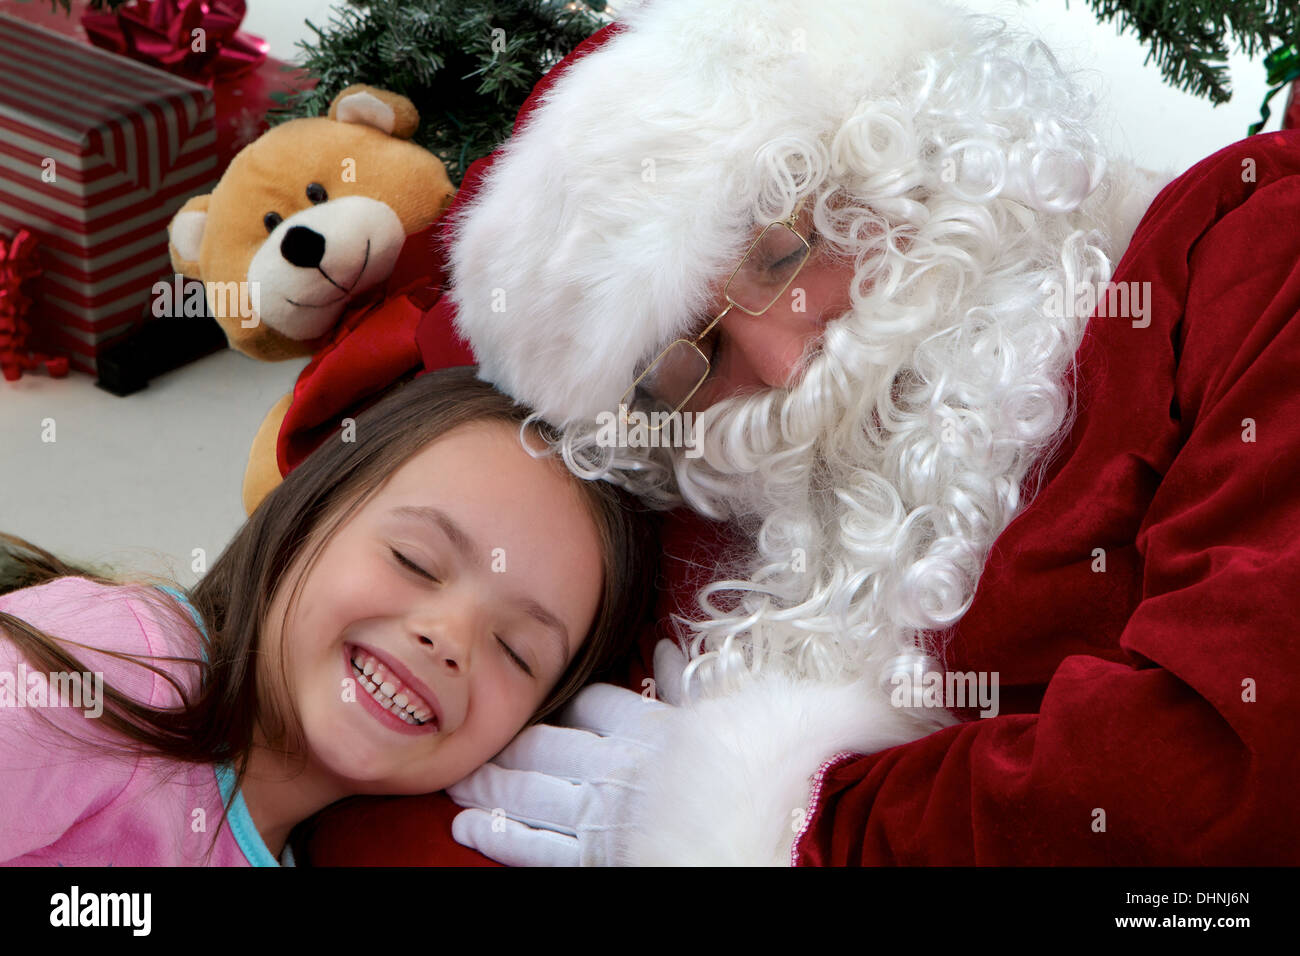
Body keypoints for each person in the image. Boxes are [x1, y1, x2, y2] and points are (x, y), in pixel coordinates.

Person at [297, 0, 1300, 865]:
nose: (786, 360)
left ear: (909, 151)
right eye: (688, 364)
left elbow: (1239, 767)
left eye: (777, 253)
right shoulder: (721, 543)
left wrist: (792, 823)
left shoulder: (1252, 247)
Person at [0, 367, 658, 866]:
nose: (450, 637)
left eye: (516, 651)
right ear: (304, 519)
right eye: (415, 560)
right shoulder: (121, 661)